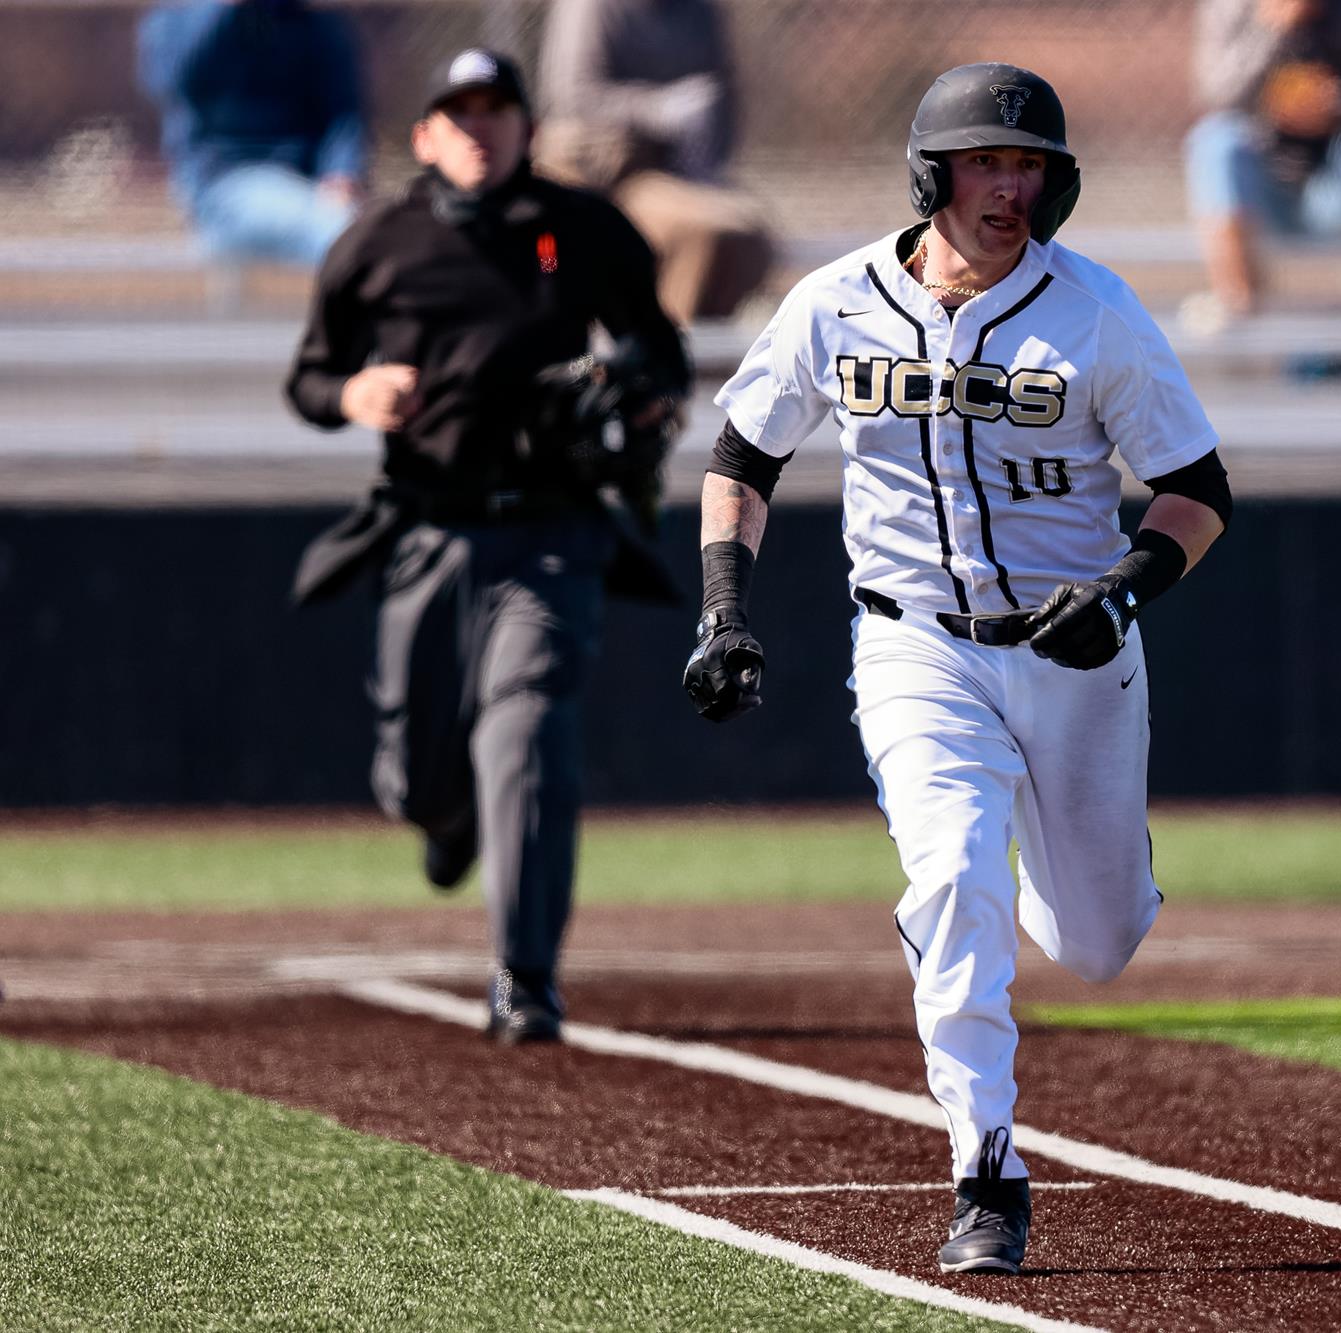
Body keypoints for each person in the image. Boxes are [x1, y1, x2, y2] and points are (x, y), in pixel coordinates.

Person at [685, 64, 1232, 1274]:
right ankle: (986, 1166)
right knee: (950, 878)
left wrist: (1127, 589)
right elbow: (742, 454)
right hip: (912, 642)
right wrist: (723, 611)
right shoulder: (834, 302)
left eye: (1029, 164)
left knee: (1093, 941)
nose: (1010, 186)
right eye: (988, 161)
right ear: (934, 174)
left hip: (1070, 646)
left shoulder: (1092, 311)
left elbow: (1197, 491)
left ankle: (1040, 871)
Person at [283, 49, 691, 1045]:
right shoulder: (380, 241)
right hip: (427, 526)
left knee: (527, 729)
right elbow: (309, 380)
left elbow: (661, 362)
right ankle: (444, 815)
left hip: (552, 530)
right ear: (424, 134)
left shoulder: (584, 229)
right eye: (457, 113)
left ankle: (525, 975)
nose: (478, 128)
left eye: (496, 110)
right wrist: (353, 396)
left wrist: (633, 400)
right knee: (416, 777)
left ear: (526, 128)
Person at [1182, 0, 1341, 345]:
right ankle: (1234, 295)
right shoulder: (1229, 9)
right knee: (1214, 140)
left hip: (1334, 190)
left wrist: (1333, 105)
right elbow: (1217, 94)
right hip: (1265, 189)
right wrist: (1271, 30)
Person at [538, 0, 775, 324]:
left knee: (750, 237)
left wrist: (707, 151)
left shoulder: (701, 11)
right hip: (600, 173)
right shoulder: (592, 7)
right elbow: (573, 95)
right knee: (700, 232)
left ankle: (707, 355)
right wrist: (658, 109)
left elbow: (724, 94)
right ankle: (666, 346)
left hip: (673, 171)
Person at [137, 0, 367, 265]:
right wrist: (224, 9)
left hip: (310, 193)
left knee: (377, 235)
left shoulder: (317, 25)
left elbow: (343, 115)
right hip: (222, 191)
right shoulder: (174, 19)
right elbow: (173, 81)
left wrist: (341, 173)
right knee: (340, 234)